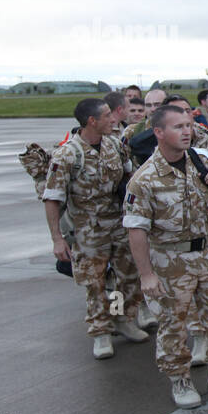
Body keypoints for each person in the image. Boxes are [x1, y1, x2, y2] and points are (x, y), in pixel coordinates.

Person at [123, 104, 208, 408]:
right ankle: (179, 380)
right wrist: (146, 275)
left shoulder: (200, 161)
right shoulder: (144, 180)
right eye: (178, 126)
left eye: (188, 125)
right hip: (171, 260)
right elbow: (136, 231)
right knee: (173, 324)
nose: (186, 131)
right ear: (158, 132)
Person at [42, 98, 149, 359]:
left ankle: (122, 320)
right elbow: (52, 198)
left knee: (125, 277)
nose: (113, 120)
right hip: (88, 231)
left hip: (118, 225)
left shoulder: (114, 145)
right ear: (92, 121)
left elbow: (130, 178)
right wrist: (57, 239)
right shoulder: (67, 154)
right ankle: (100, 332)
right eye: (106, 116)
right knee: (95, 283)